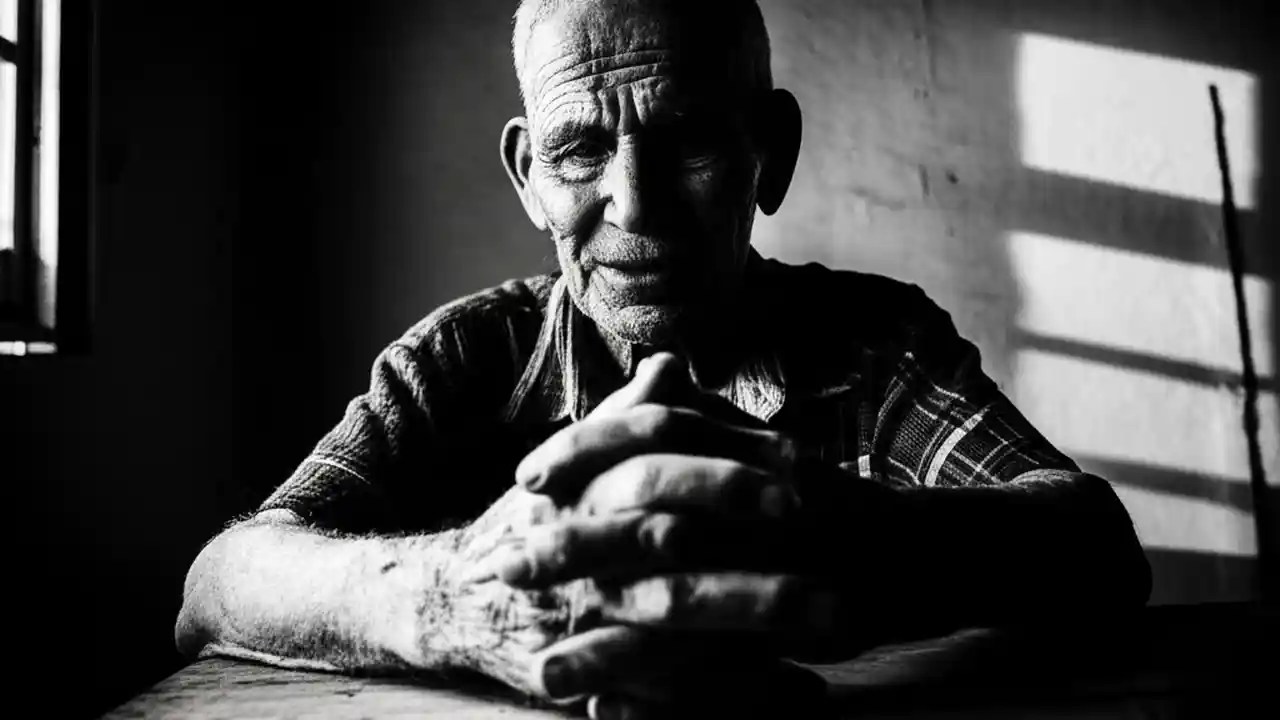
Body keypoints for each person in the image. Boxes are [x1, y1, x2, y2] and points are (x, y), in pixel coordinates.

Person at [175, 0, 1151, 717]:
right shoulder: (464, 356)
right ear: (528, 177)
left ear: (768, 153)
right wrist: (460, 593)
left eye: (685, 140)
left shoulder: (874, 342)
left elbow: (1094, 541)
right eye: (577, 152)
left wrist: (846, 545)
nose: (632, 207)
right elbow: (218, 585)